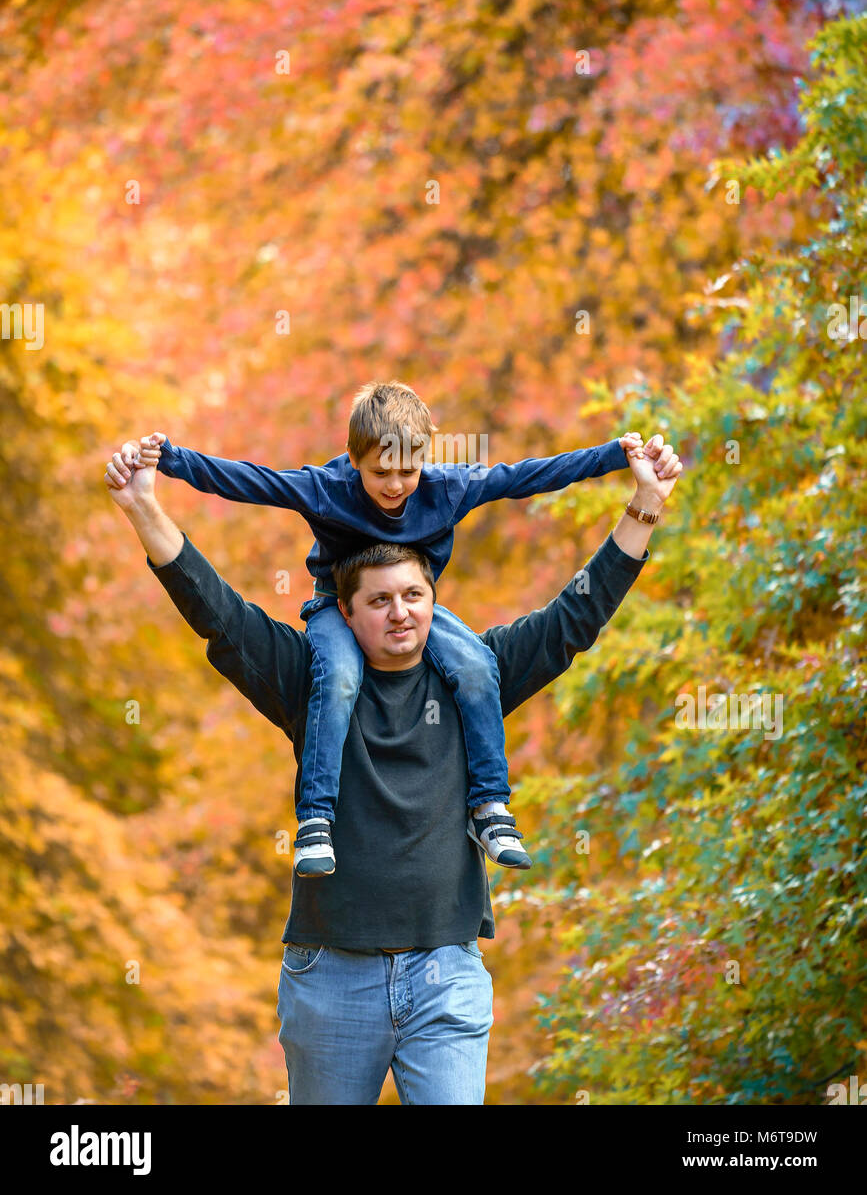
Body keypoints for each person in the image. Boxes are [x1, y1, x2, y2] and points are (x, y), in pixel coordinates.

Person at [104, 428, 682, 1105]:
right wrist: (143, 506)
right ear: (343, 614)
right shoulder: (308, 681)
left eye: (412, 595)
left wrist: (644, 503)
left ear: (433, 601)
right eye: (378, 601)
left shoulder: (480, 678)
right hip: (331, 978)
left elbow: (572, 619)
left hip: (446, 970)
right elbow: (221, 616)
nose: (400, 613)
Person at [121, 380, 644, 877]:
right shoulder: (328, 488)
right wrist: (172, 459)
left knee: (477, 666)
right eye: (379, 473)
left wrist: (614, 456)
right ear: (354, 461)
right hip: (335, 607)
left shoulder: (448, 489)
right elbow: (252, 481)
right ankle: (317, 818)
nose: (394, 486)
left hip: (415, 614)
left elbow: (527, 476)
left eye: (407, 471)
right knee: (339, 678)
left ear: (424, 460)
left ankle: (489, 805)